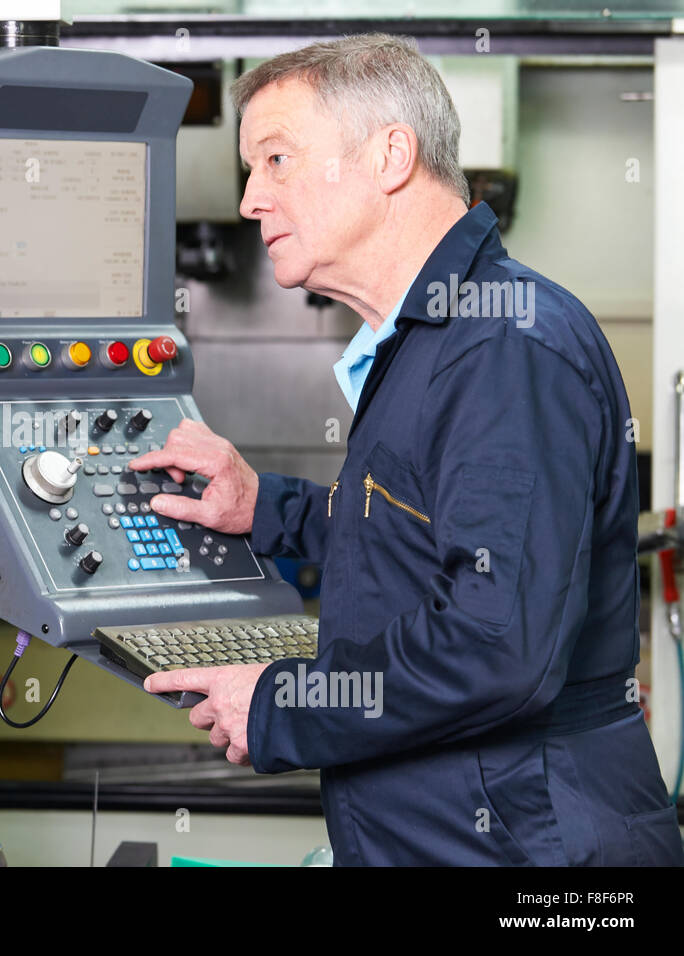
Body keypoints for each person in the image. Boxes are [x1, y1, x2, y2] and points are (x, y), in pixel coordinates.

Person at [129, 33, 684, 866]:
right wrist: (264, 507)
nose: (250, 200)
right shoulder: (432, 339)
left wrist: (283, 705)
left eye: (276, 160)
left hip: (528, 845)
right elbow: (420, 537)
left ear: (391, 155)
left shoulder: (504, 345)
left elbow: (495, 646)